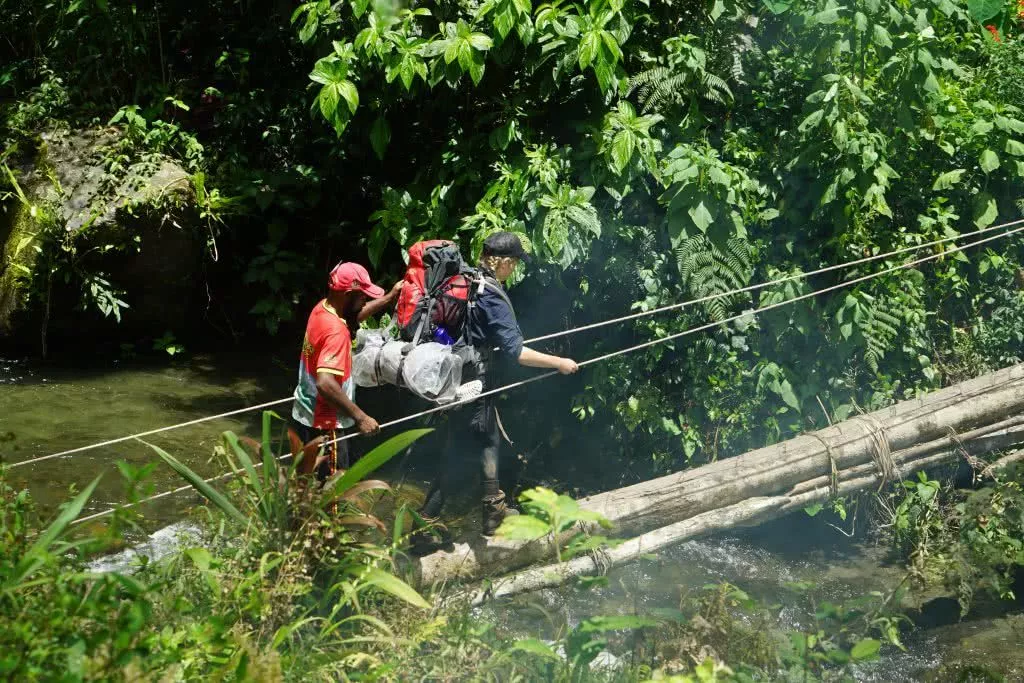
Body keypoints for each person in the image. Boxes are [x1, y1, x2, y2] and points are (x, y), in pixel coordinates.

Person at [416, 232, 578, 544]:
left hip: (461, 376)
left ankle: (493, 510)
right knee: (459, 451)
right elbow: (518, 352)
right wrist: (559, 362)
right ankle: (426, 522)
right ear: (502, 261)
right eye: (514, 262)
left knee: (489, 440)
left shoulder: (469, 279)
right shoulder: (491, 294)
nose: (515, 268)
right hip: (474, 383)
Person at [291, 261, 402, 481]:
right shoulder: (336, 333)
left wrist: (389, 298)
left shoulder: (323, 309)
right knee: (331, 490)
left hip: (305, 412)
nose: (365, 300)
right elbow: (325, 383)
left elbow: (352, 317)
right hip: (326, 424)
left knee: (306, 486)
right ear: (348, 294)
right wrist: (360, 417)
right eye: (362, 296)